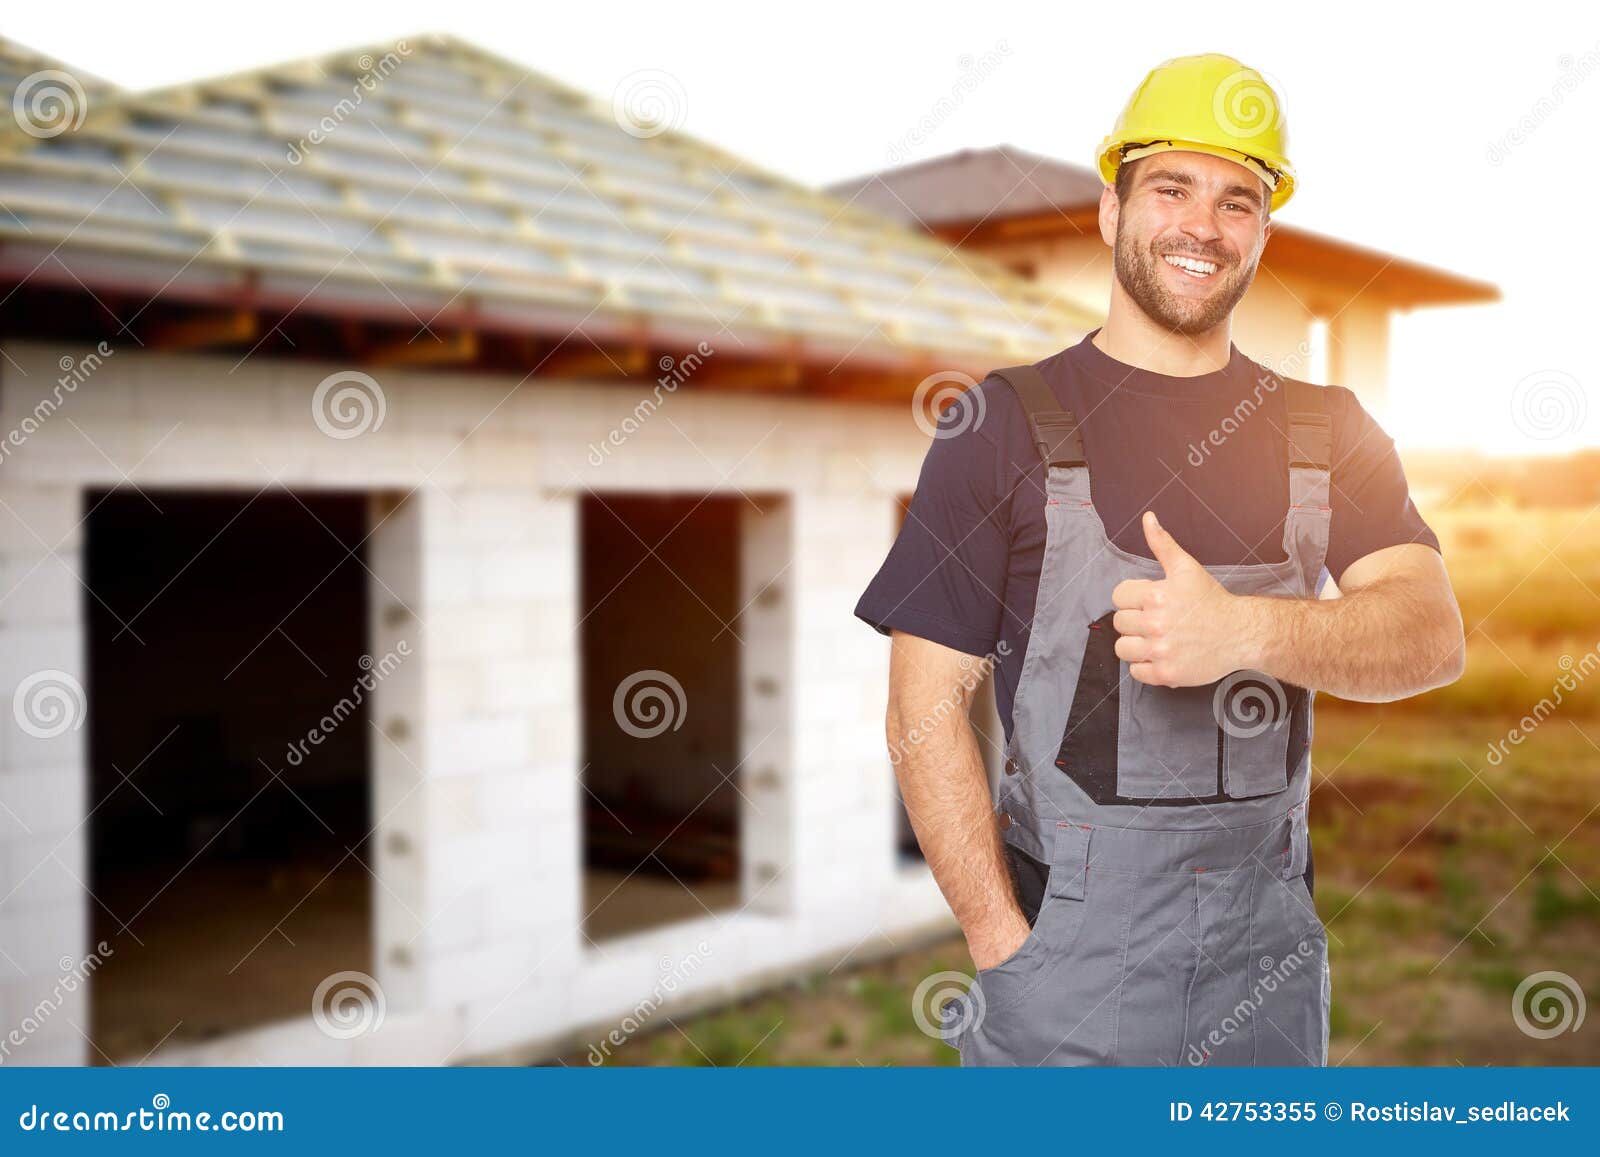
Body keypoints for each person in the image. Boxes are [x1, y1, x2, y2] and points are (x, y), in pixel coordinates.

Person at [854, 53, 1464, 1066]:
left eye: (1237, 201)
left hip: (1268, 974)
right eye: (1171, 189)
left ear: (1262, 233)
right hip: (1066, 980)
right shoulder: (1002, 425)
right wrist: (1003, 948)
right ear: (1111, 210)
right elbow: (921, 713)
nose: (1202, 225)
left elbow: (1431, 637)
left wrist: (1244, 630)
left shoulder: (1330, 431)